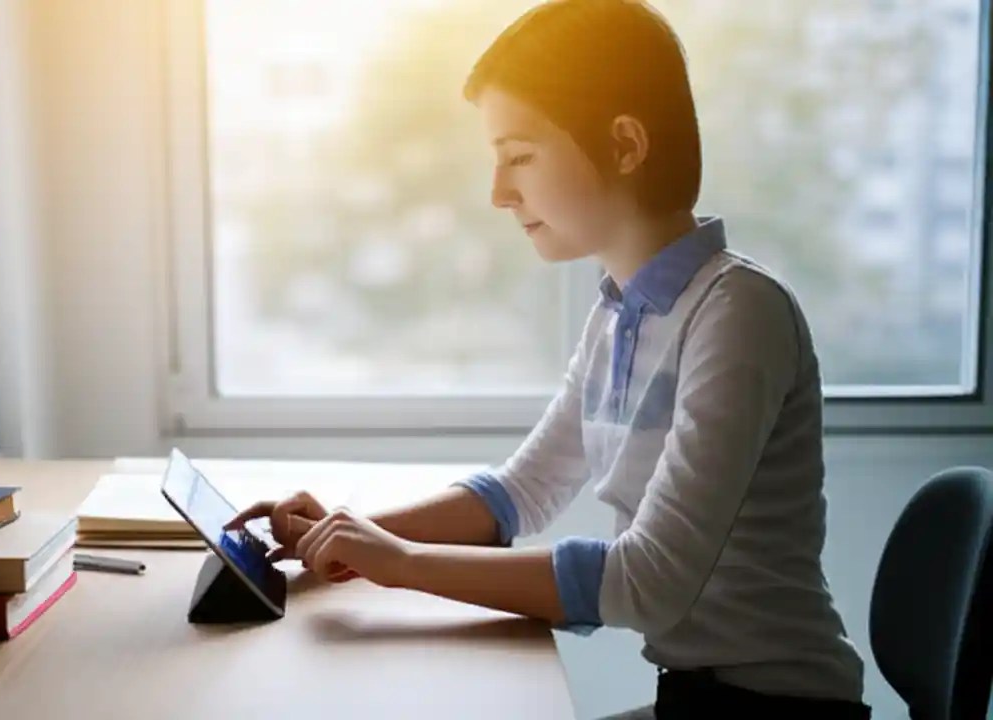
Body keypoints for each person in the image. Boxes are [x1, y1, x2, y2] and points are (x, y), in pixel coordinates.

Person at [226, 1, 869, 717]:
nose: (499, 193)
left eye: (520, 156)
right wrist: (350, 534)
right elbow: (518, 495)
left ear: (624, 145)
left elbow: (645, 581)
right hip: (694, 701)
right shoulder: (617, 314)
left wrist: (401, 565)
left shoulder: (737, 313)